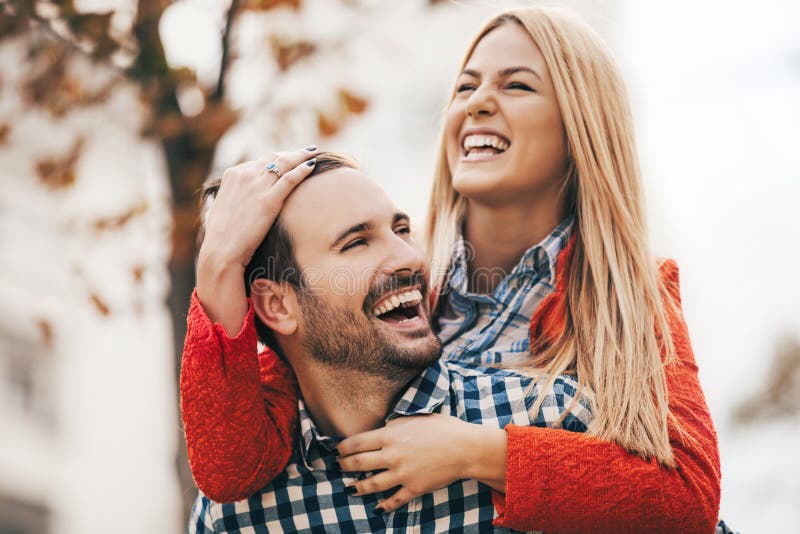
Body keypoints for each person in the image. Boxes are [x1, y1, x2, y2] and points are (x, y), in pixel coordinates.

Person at [182, 6, 723, 533]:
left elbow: (687, 494)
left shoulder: (625, 297)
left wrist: (474, 452)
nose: (478, 103)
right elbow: (235, 461)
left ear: (580, 127)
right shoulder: (402, 293)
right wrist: (218, 265)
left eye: (517, 86)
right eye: (465, 87)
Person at [187, 152, 593, 532]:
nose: (411, 258)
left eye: (402, 230)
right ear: (277, 305)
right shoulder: (235, 517)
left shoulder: (554, 420)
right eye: (356, 242)